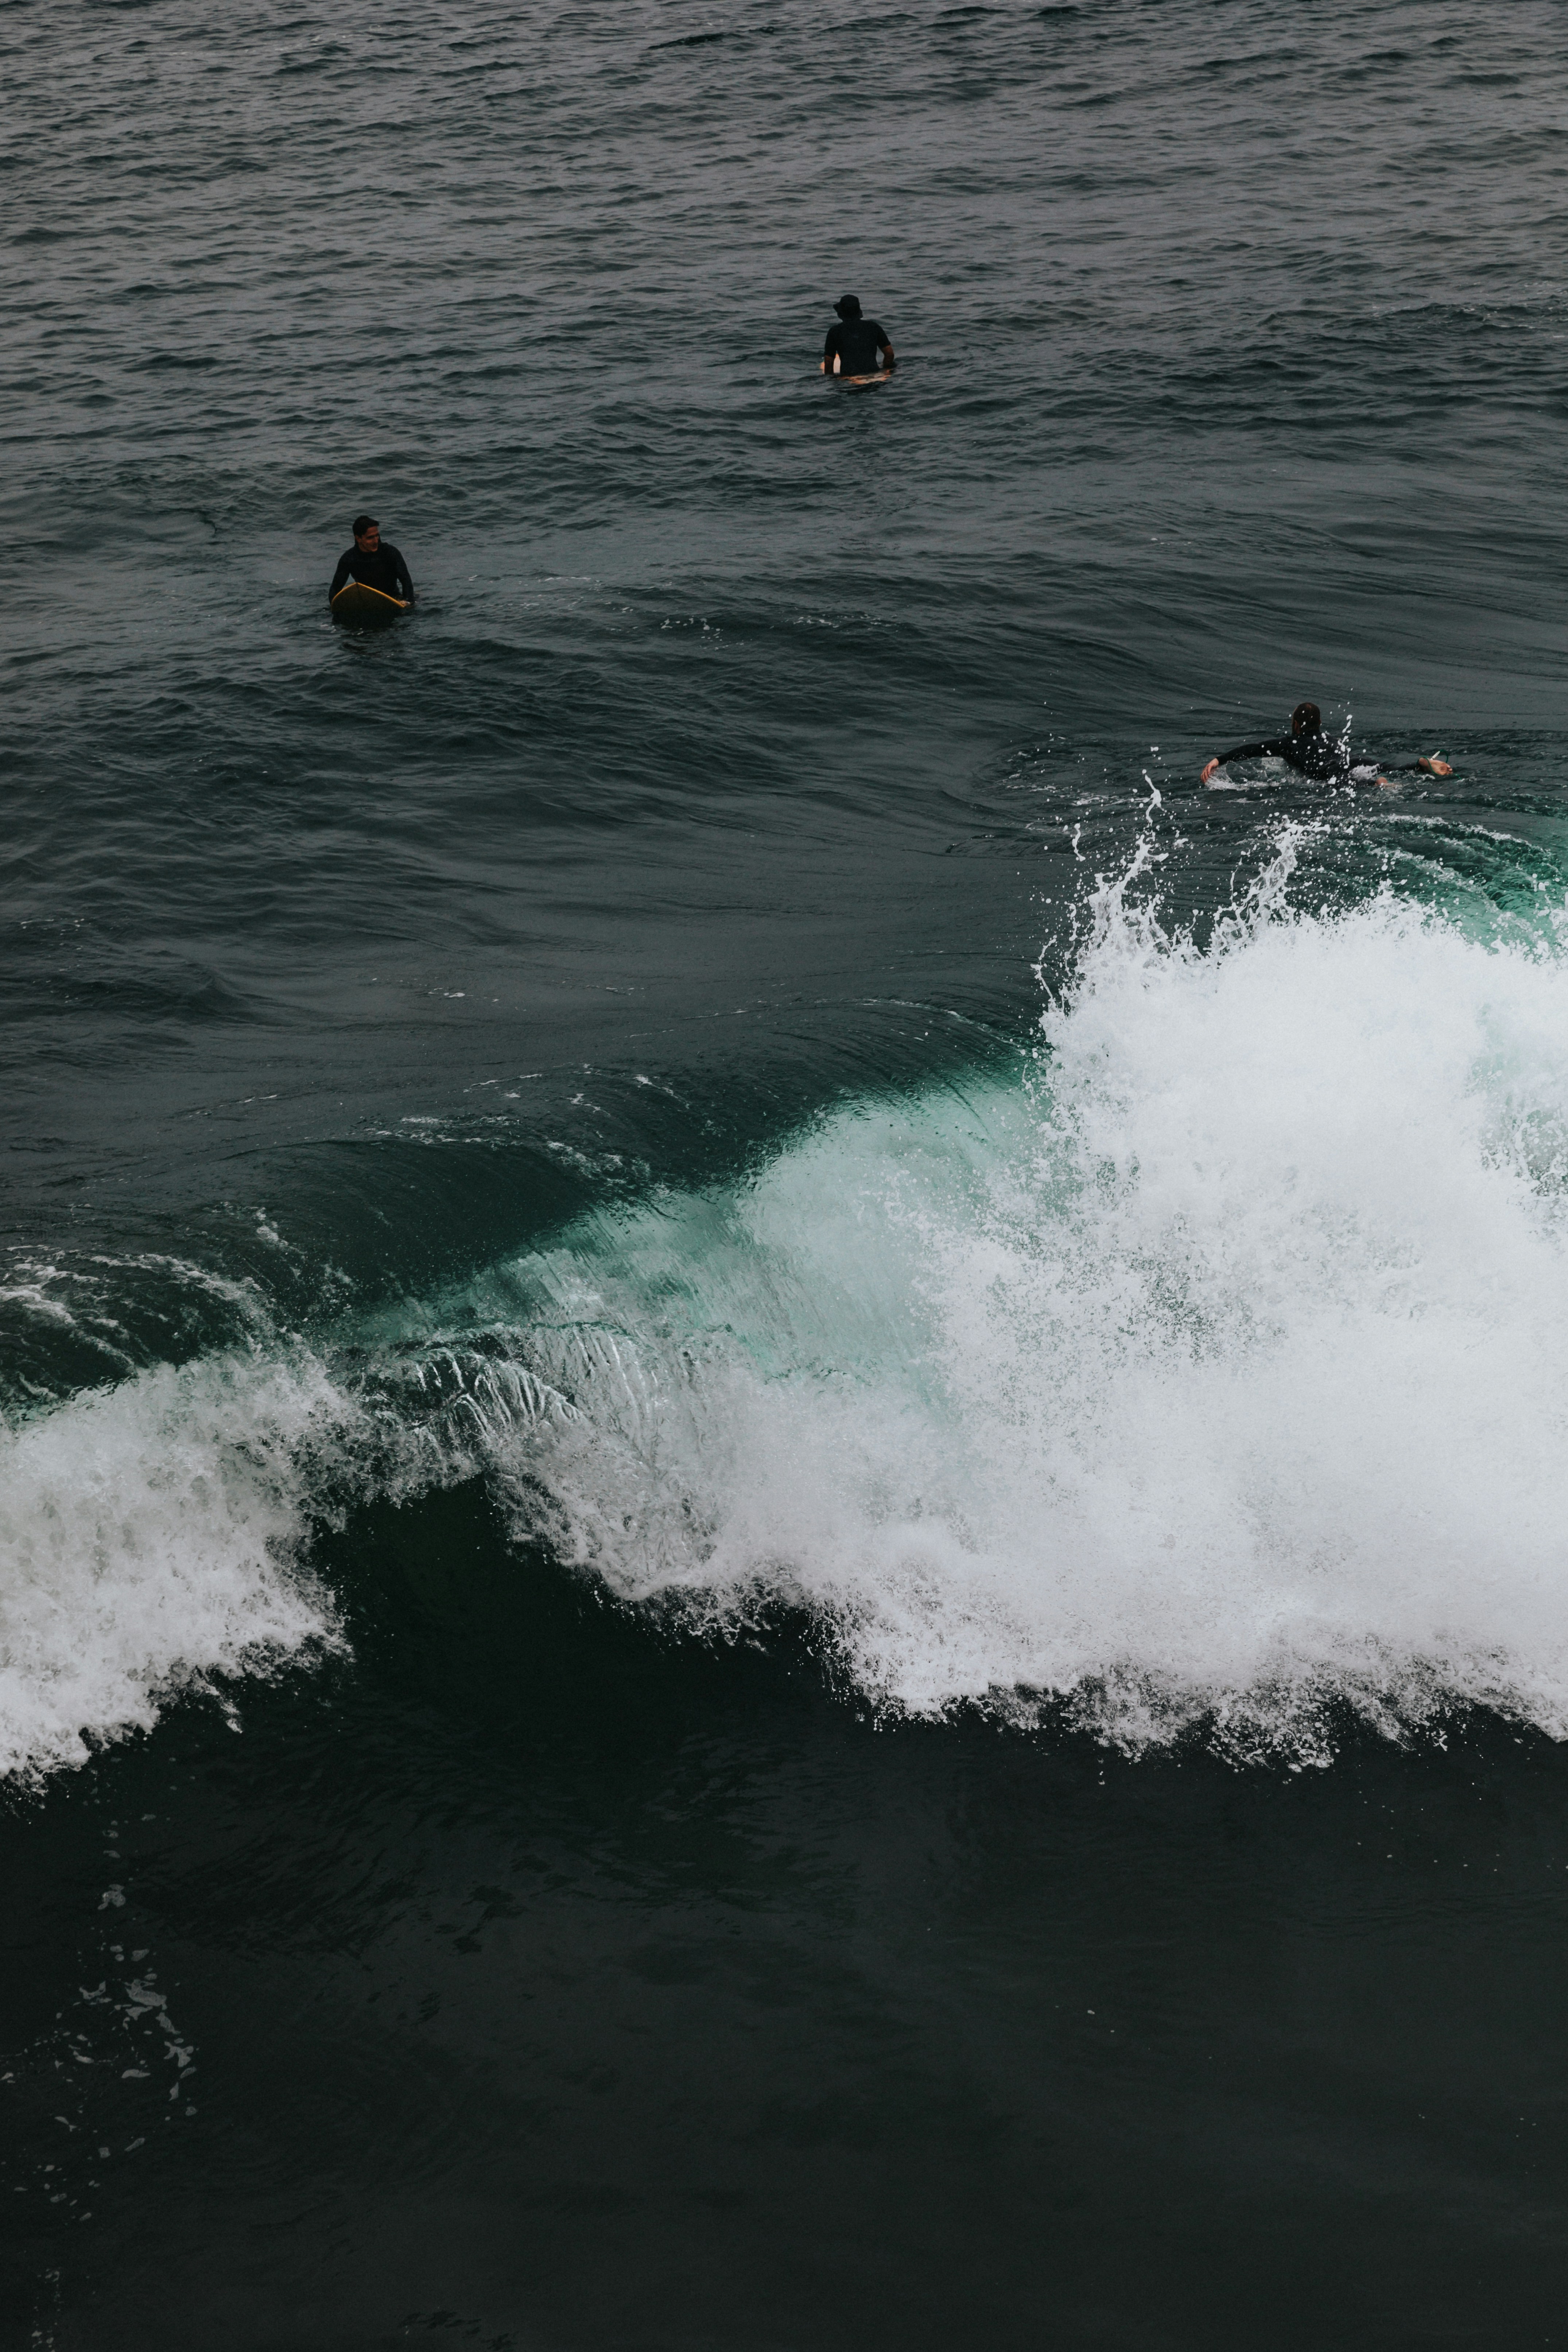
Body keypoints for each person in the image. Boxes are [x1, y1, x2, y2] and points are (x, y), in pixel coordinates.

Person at [1200, 702, 1452, 789]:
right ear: (1319, 723)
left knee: (1351, 783)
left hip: (1326, 773)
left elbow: (1253, 749)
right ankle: (1418, 765)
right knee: (1381, 767)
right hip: (1353, 762)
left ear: (1296, 725)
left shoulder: (1288, 744)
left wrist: (1219, 760)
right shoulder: (1332, 740)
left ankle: (1377, 785)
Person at [329, 516, 414, 607]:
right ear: (358, 539)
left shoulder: (390, 553)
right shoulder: (349, 559)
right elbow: (335, 589)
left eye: (377, 535)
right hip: (366, 602)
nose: (376, 541)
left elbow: (407, 582)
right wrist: (335, 607)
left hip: (393, 599)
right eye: (371, 538)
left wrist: (407, 602)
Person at [821, 295, 894, 380]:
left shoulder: (834, 331)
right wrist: (885, 371)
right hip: (874, 375)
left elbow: (829, 362)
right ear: (859, 312)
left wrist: (831, 380)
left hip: (849, 378)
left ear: (840, 314)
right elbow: (890, 354)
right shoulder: (874, 327)